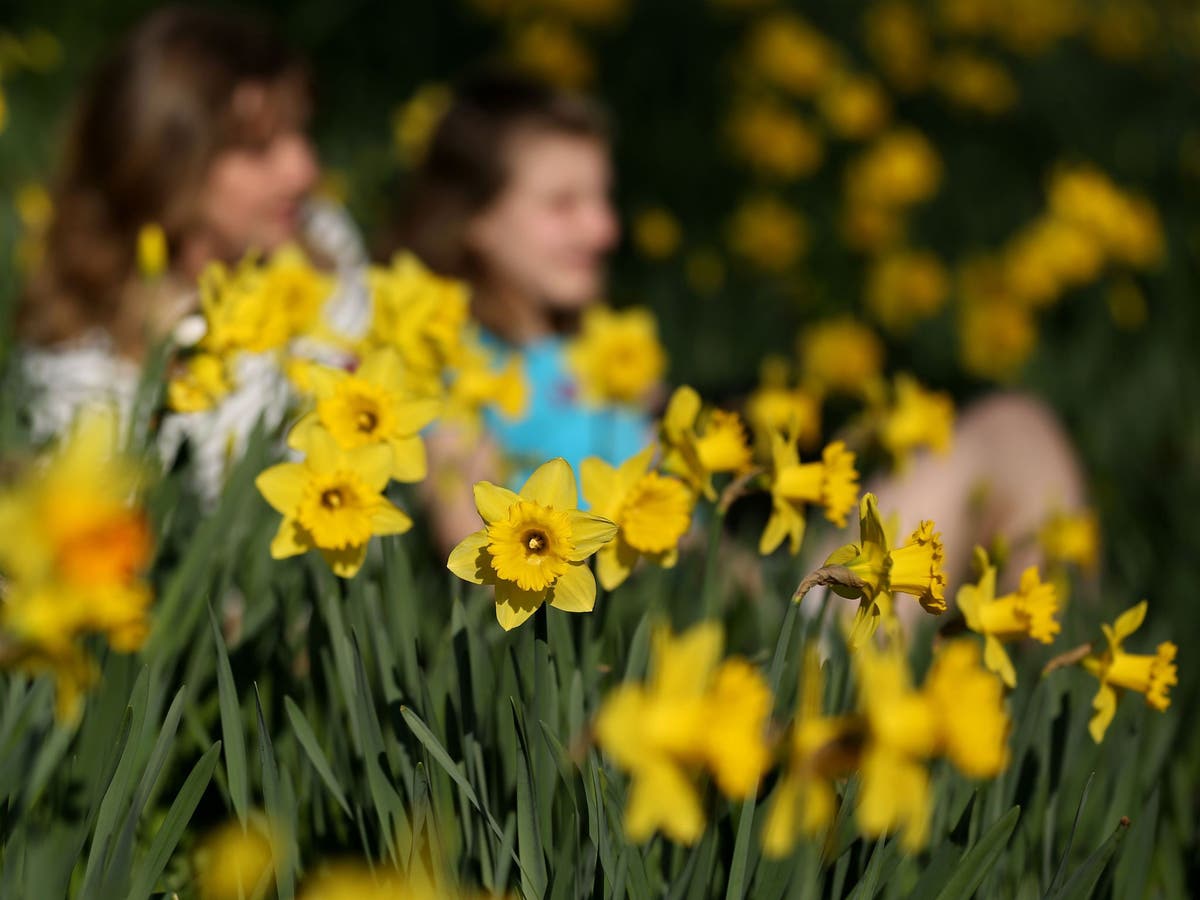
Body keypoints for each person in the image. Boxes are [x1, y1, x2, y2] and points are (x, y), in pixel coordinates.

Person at [15, 6, 368, 494]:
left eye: (299, 130)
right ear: (166, 165)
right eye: (259, 149)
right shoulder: (87, 362)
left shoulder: (323, 238)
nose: (305, 169)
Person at [394, 70, 653, 550]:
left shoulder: (601, 344)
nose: (604, 230)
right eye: (562, 204)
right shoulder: (448, 368)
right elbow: (483, 557)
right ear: (474, 217)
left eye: (603, 199)